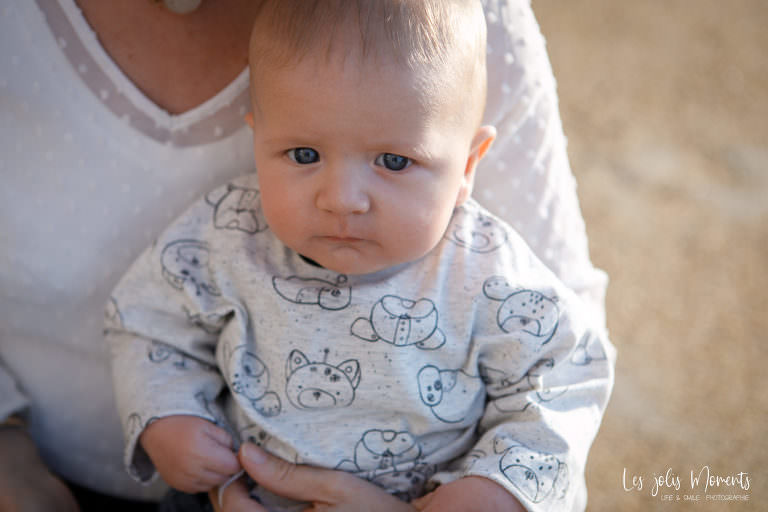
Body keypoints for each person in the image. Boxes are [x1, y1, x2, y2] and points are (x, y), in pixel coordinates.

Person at [0, 0, 611, 510]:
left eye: (395, 162)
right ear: (257, 135)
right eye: (303, 155)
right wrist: (165, 415)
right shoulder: (229, 233)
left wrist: (498, 489)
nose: (341, 199)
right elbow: (145, 317)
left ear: (468, 166)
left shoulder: (489, 271)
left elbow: (567, 370)